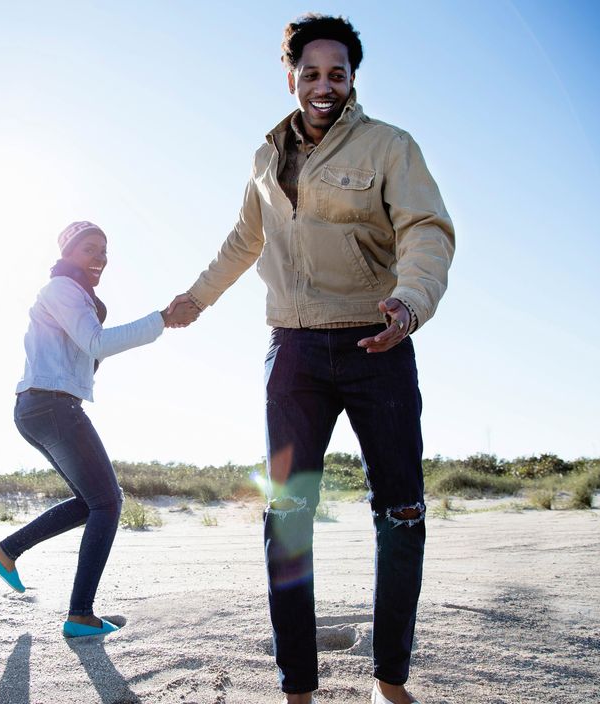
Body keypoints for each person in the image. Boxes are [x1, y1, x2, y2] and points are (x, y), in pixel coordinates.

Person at [168, 14, 455, 704]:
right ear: (291, 75)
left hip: (376, 342)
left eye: (338, 73)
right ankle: (297, 685)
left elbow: (426, 231)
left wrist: (410, 303)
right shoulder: (266, 158)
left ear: (353, 79)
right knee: (288, 514)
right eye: (312, 72)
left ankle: (391, 677)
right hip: (293, 349)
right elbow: (244, 238)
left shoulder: (391, 146)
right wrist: (196, 298)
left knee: (401, 512)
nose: (324, 85)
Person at [0, 221, 190, 639]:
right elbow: (96, 344)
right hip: (51, 406)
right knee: (108, 503)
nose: (99, 258)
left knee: (90, 502)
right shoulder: (61, 290)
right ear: (67, 253)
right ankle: (80, 615)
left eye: (103, 251)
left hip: (41, 408)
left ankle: (6, 552)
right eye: (89, 249)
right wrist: (163, 318)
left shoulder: (77, 297)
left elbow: (88, 351)